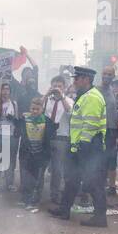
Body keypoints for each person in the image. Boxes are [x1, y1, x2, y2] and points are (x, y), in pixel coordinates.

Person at [50, 66, 109, 228]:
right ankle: (64, 210)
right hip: (79, 146)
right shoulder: (84, 96)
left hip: (88, 147)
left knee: (93, 182)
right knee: (71, 180)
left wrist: (82, 146)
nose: (74, 81)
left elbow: (90, 124)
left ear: (86, 80)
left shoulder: (91, 97)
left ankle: (100, 217)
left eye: (77, 78)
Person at [43, 74, 73, 204]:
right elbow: (36, 107)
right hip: (46, 137)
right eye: (54, 86)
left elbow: (70, 113)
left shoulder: (69, 101)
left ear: (65, 88)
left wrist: (61, 97)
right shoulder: (47, 100)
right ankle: (37, 192)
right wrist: (46, 94)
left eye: (59, 86)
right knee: (42, 165)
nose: (56, 88)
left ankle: (55, 195)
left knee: (57, 169)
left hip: (61, 138)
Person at [17, 95, 50, 206]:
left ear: (42, 109)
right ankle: (25, 198)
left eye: (37, 109)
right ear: (29, 108)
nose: (35, 111)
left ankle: (35, 199)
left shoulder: (46, 121)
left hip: (40, 154)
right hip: (27, 153)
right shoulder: (25, 119)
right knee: (26, 177)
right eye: (33, 109)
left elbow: (49, 137)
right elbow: (17, 132)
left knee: (38, 178)